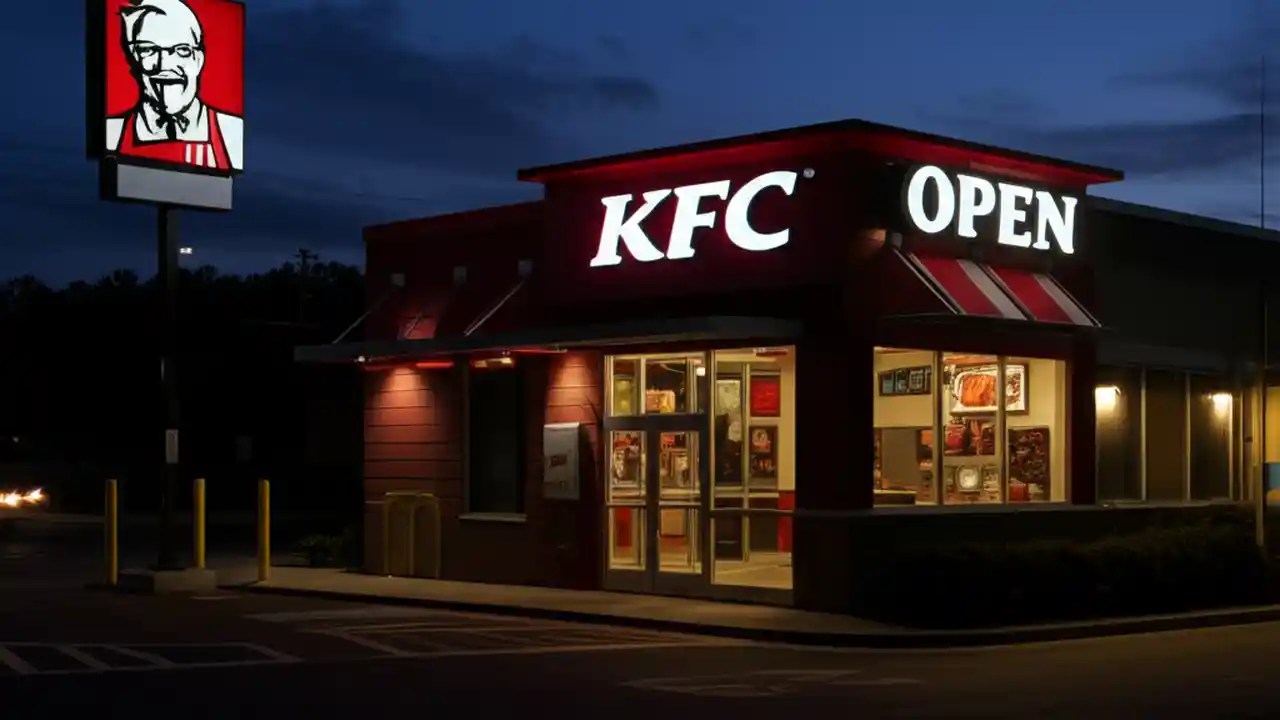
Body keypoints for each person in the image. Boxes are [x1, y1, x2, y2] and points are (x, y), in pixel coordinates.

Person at [105, 0, 244, 172]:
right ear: (134, 59)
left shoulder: (231, 132)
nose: (165, 65)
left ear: (199, 59)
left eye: (182, 50)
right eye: (149, 50)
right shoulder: (112, 134)